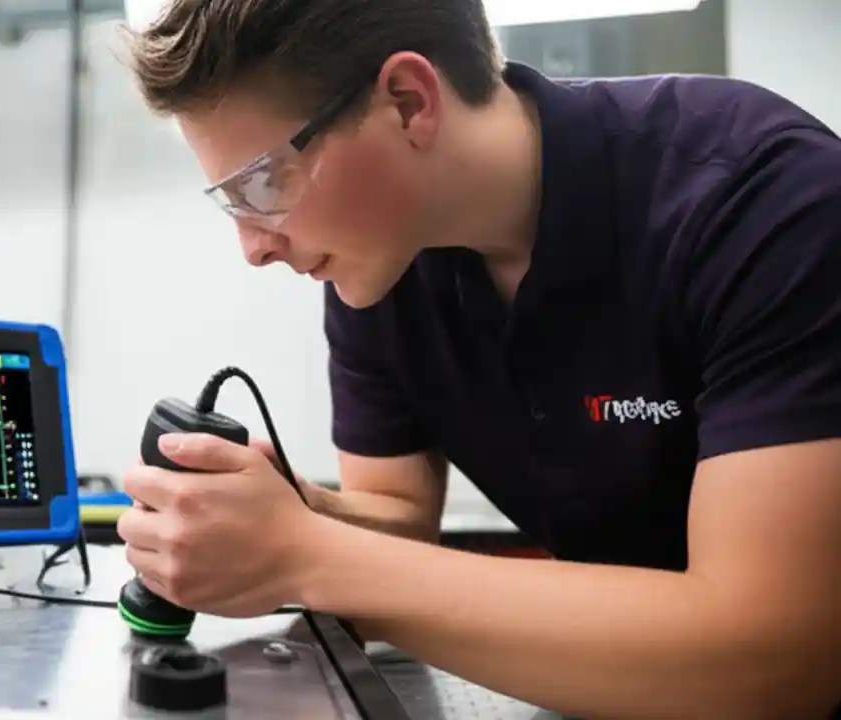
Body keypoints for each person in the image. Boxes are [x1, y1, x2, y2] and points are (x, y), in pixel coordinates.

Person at [112, 1, 841, 718]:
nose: (255, 248)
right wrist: (292, 515)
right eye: (229, 202)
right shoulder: (384, 260)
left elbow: (775, 659)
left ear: (408, 100)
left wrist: (303, 554)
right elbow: (398, 520)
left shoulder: (763, 200)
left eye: (264, 185)